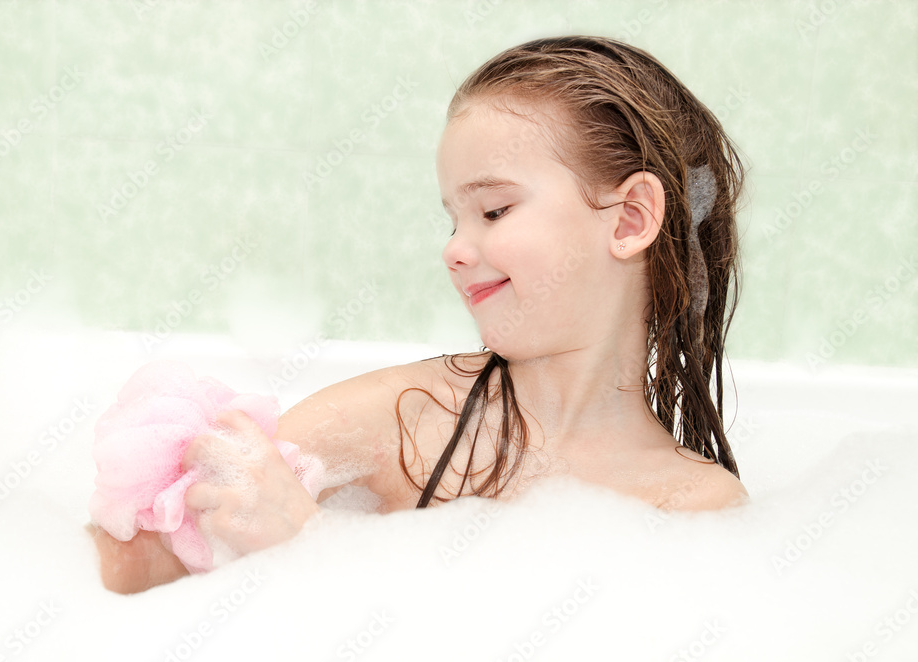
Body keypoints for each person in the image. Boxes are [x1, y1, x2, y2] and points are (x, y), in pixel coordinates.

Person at [90, 35, 749, 594]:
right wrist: (289, 549)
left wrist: (310, 550)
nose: (454, 249)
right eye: (453, 219)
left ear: (630, 219)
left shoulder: (697, 504)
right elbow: (127, 569)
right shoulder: (401, 419)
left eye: (493, 210)